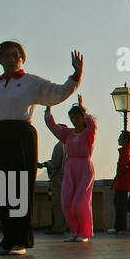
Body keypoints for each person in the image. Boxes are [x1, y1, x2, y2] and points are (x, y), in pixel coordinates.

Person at [0, 42, 82, 255]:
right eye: (6, 55)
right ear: (0, 60)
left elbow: (57, 93)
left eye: (16, 55)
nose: (12, 59)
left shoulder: (32, 82)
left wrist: (75, 75)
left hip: (21, 134)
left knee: (20, 188)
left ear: (22, 58)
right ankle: (7, 240)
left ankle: (21, 242)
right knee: (3, 187)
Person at [43, 97, 96, 242]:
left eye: (76, 117)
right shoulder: (68, 134)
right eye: (71, 118)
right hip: (70, 168)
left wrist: (83, 108)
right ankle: (74, 232)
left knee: (80, 202)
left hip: (84, 169)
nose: (73, 120)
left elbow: (92, 124)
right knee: (66, 203)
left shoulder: (88, 133)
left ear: (82, 118)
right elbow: (53, 127)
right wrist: (48, 112)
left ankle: (84, 233)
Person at [38, 139, 67, 235]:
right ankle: (61, 225)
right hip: (66, 179)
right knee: (63, 205)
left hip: (58, 180)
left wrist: (50, 170)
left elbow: (55, 163)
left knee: (57, 204)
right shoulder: (69, 144)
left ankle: (58, 227)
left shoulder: (60, 145)